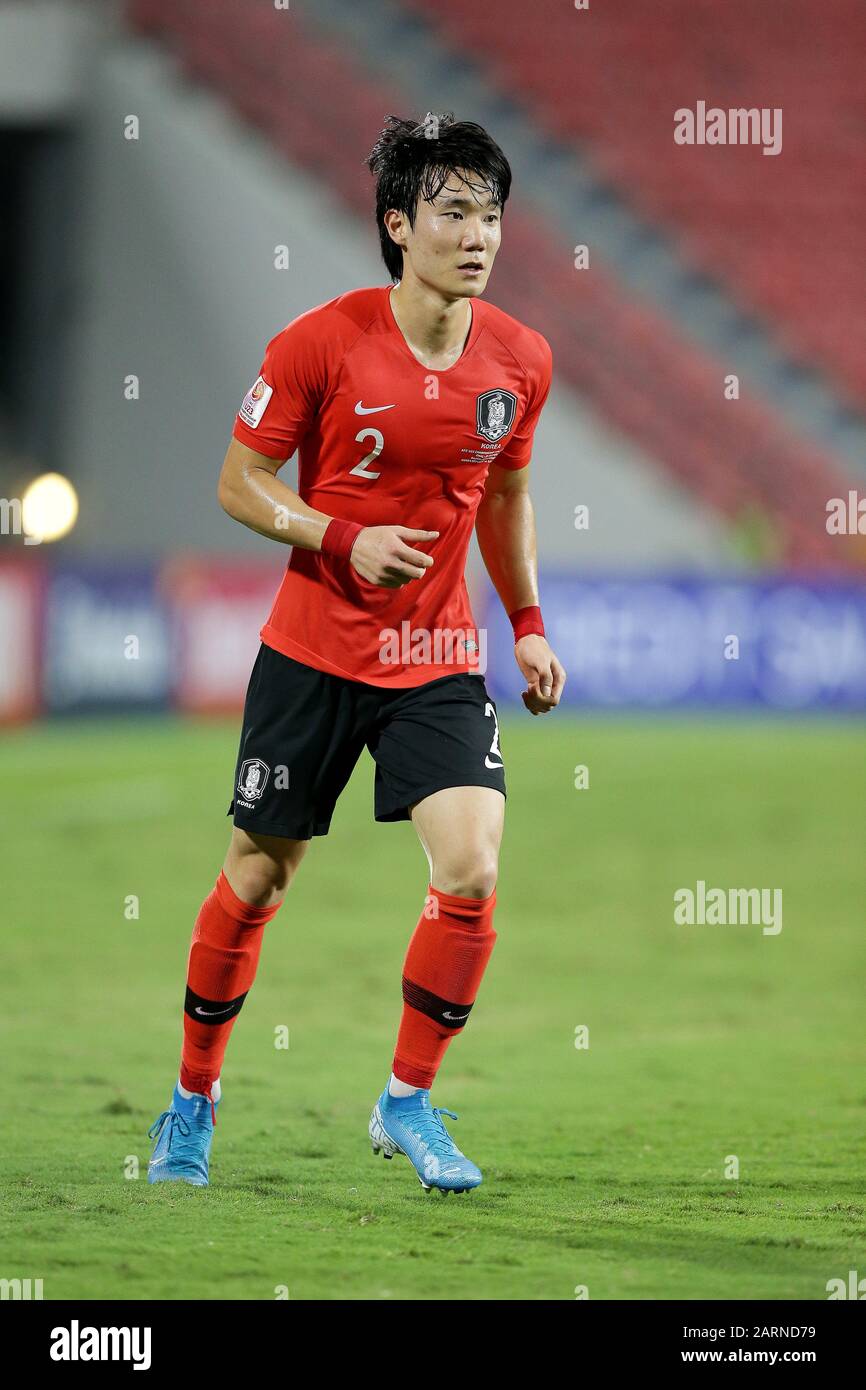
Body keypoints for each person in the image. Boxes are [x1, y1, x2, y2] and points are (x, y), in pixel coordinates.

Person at [148, 113, 566, 1195]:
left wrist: (524, 624)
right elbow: (238, 483)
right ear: (397, 223)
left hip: (435, 655)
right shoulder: (319, 343)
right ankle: (191, 1101)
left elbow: (506, 498)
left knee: (470, 867)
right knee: (253, 880)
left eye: (491, 214)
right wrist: (339, 535)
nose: (478, 234)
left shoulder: (520, 360)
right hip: (313, 653)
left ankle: (406, 1102)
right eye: (452, 211)